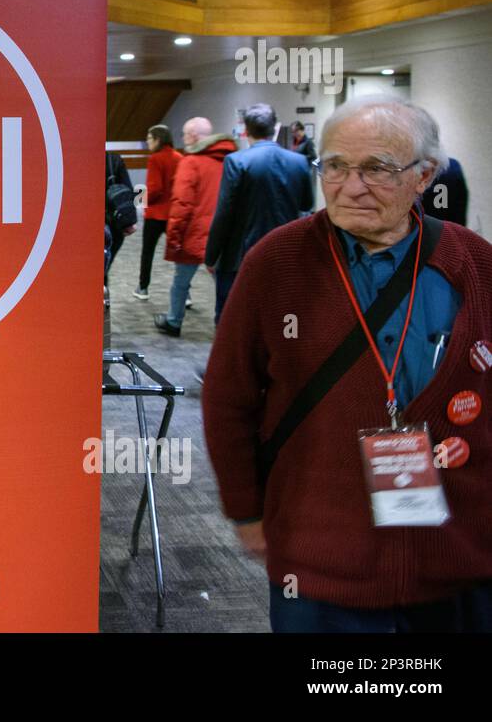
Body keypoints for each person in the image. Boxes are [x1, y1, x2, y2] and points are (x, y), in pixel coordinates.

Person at [204, 95, 492, 632]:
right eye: (334, 165)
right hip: (323, 558)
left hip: (460, 558)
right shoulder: (277, 261)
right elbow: (228, 399)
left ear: (424, 175)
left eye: (377, 169)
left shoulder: (475, 265)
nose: (350, 186)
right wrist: (246, 511)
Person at [204, 103, 313, 322]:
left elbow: (225, 212)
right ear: (275, 127)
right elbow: (306, 204)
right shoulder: (299, 162)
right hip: (284, 254)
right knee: (277, 319)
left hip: (240, 254)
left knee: (233, 320)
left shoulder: (236, 161)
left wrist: (211, 255)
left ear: (246, 129)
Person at [154, 118, 235, 337]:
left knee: (180, 282)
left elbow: (182, 203)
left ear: (194, 136)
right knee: (225, 284)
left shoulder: (191, 162)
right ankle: (229, 326)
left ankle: (174, 321)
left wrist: (174, 238)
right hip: (222, 235)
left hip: (193, 233)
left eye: (185, 134)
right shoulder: (231, 160)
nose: (183, 138)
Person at [133, 124, 181, 300]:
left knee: (148, 252)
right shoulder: (179, 158)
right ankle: (185, 292)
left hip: (155, 215)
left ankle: (143, 287)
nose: (147, 141)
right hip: (174, 213)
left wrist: (139, 201)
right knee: (177, 253)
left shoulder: (155, 159)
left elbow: (154, 189)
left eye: (149, 138)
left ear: (158, 139)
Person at [104, 150, 136, 277]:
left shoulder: (77, 158)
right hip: (115, 222)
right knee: (104, 269)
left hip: (88, 226)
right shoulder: (114, 159)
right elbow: (129, 189)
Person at [422, 156, 469, 226]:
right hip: (445, 230)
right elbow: (459, 216)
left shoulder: (412, 166)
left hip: (418, 228)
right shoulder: (453, 166)